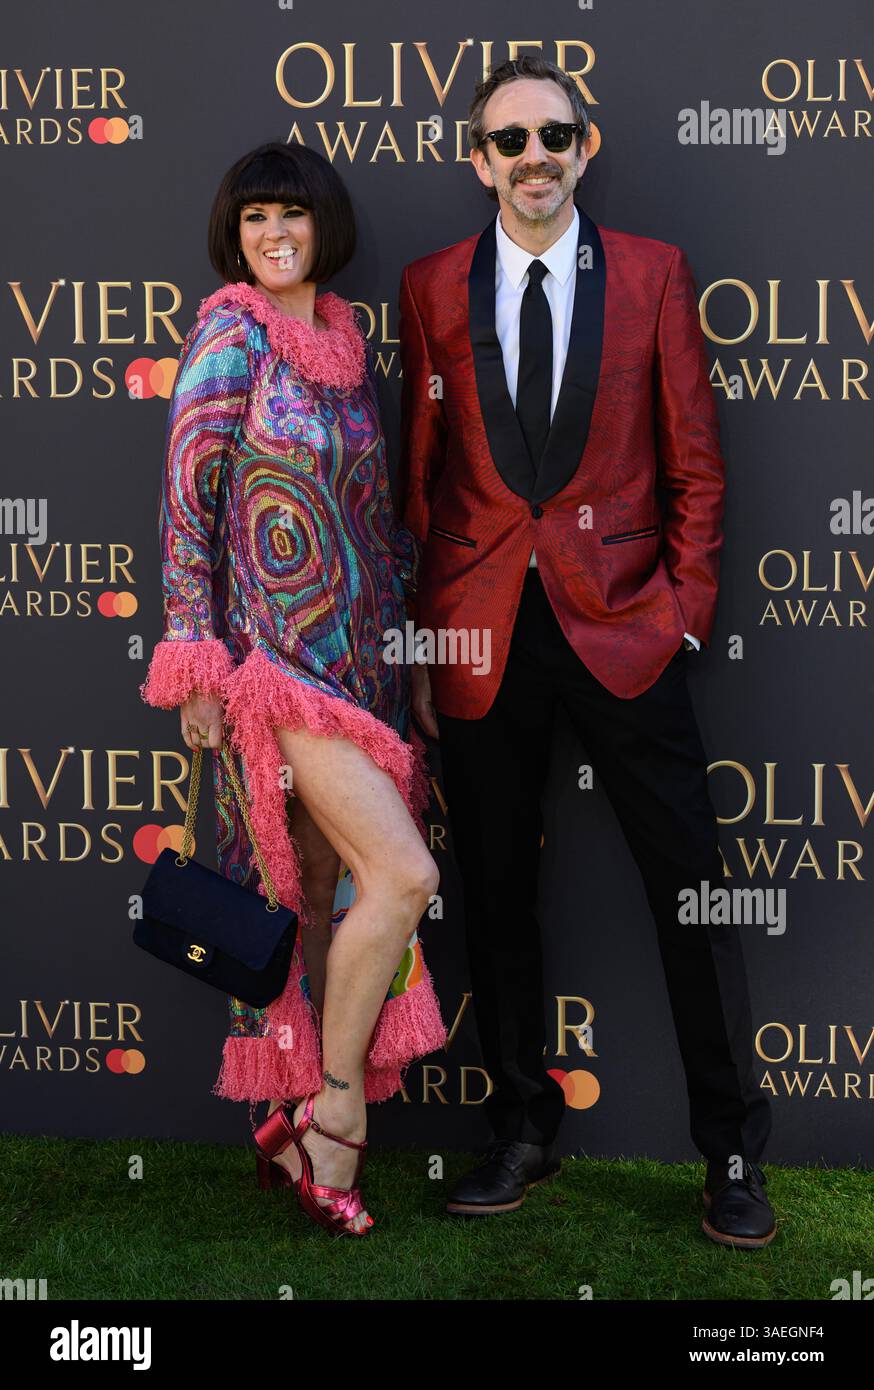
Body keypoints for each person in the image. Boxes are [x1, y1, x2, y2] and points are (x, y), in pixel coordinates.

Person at [397, 56, 775, 1248]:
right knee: (496, 893)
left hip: (625, 626)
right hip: (479, 633)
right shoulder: (428, 287)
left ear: (585, 144)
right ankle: (519, 1129)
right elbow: (419, 478)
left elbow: (695, 463)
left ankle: (728, 1150)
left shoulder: (654, 274)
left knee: (690, 893)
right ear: (477, 161)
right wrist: (421, 634)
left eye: (554, 134)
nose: (534, 157)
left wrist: (682, 607)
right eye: (508, 141)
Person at [140, 140, 446, 1237]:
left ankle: (285, 1111)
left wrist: (403, 660)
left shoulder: (346, 339)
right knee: (400, 876)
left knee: (318, 898)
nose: (276, 233)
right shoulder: (227, 331)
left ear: (326, 228)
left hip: (360, 663)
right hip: (274, 667)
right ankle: (335, 1115)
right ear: (238, 231)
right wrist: (194, 661)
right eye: (257, 215)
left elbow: (373, 523)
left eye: (295, 215)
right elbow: (190, 501)